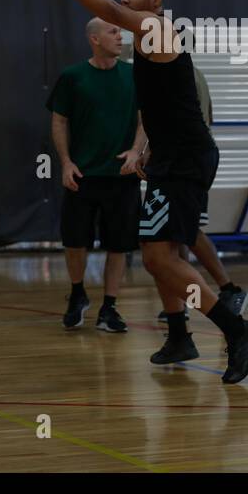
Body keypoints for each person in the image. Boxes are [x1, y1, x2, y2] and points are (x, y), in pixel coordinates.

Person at [28, 0, 248, 384]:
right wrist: (145, 149)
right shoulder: (145, 43)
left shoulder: (157, 30)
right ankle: (178, 334)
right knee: (163, 258)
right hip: (172, 157)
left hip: (186, 160)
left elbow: (111, 13)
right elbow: (166, 107)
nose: (124, 1)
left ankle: (237, 328)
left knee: (158, 256)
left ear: (156, 0)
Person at [49, 18, 146, 333]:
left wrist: (135, 151)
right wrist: (65, 162)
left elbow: (145, 120)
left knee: (119, 244)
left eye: (120, 31)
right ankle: (77, 294)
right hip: (83, 174)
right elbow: (59, 120)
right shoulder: (73, 77)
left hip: (122, 176)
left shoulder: (134, 75)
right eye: (113, 32)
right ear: (94, 39)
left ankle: (109, 307)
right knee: (75, 240)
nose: (120, 37)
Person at [156, 62, 248, 322]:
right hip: (183, 159)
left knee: (186, 231)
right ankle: (183, 301)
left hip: (185, 161)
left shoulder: (179, 74)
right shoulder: (189, 72)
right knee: (173, 236)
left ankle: (229, 290)